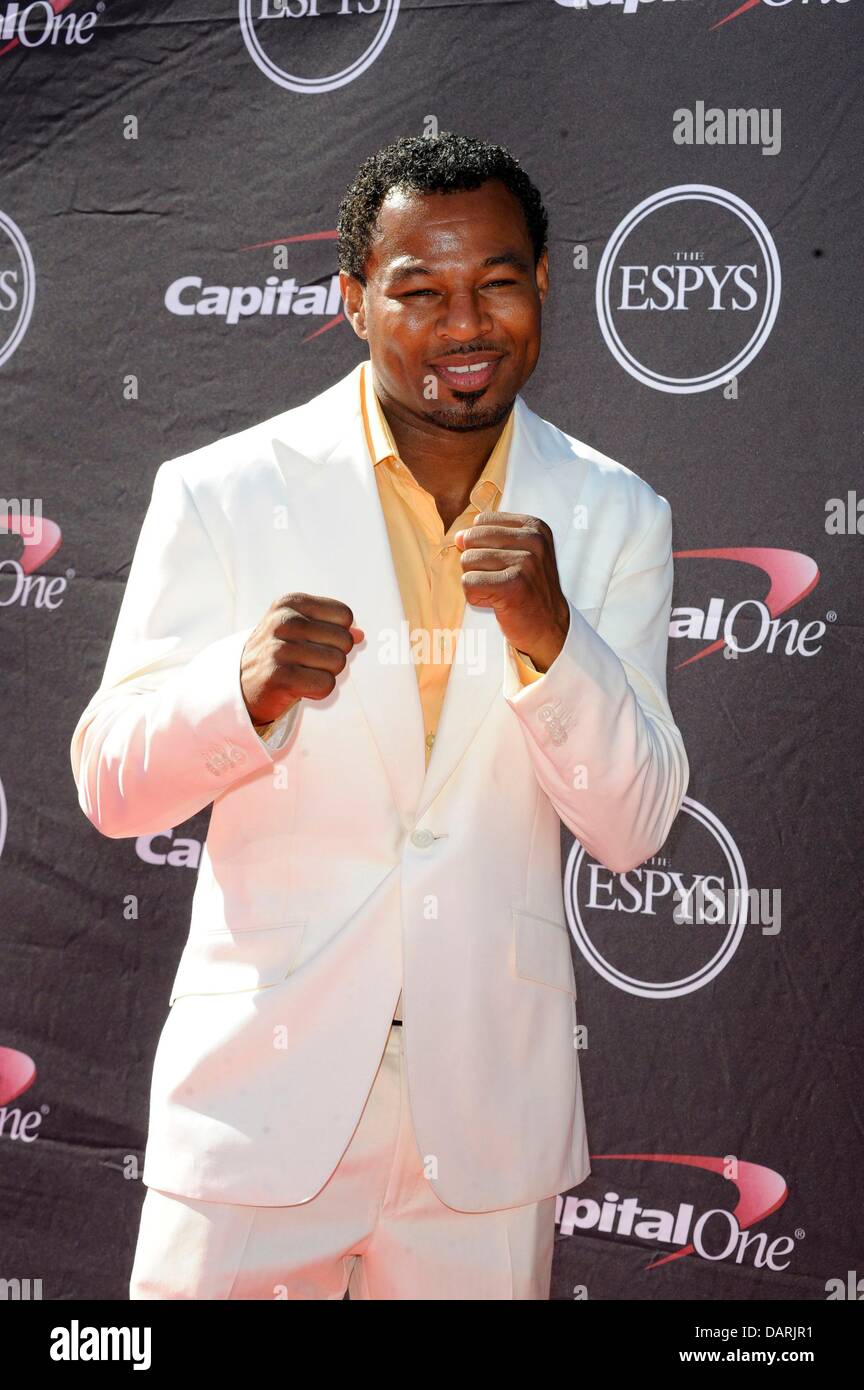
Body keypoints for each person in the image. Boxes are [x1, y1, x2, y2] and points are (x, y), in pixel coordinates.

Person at [70, 131, 689, 1300]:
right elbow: (110, 780)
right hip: (259, 1102)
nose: (465, 323)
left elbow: (636, 824)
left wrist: (556, 639)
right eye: (418, 290)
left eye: (498, 282)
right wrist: (240, 692)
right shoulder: (224, 491)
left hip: (487, 1126)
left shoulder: (616, 514)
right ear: (353, 299)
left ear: (546, 285)